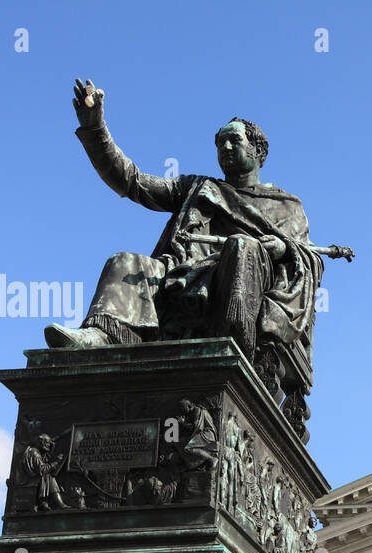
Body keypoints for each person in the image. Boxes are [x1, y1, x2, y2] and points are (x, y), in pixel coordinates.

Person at [45, 80, 322, 356]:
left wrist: (284, 248)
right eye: (219, 142)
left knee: (242, 246)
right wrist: (95, 129)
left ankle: (235, 347)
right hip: (184, 272)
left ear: (258, 152)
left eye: (234, 140)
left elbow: (309, 260)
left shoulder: (286, 206)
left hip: (237, 284)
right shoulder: (197, 188)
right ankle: (103, 334)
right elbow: (132, 181)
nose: (225, 147)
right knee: (123, 262)